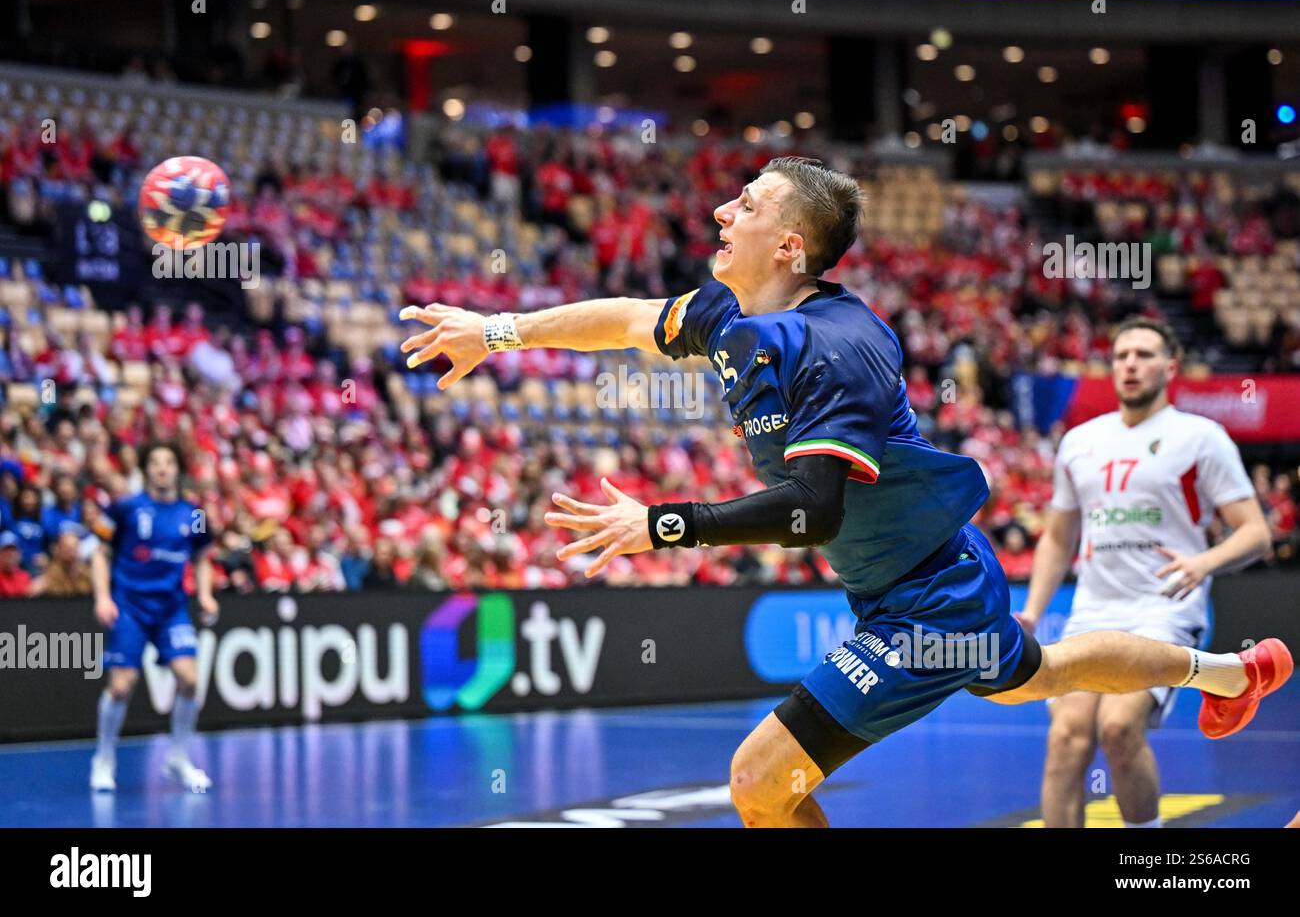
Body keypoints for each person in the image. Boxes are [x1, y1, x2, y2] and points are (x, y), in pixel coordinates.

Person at [399, 156, 1292, 827]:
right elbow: (629, 322)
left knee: (760, 779)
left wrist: (664, 524)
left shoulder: (835, 349)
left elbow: (809, 510)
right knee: (1040, 675)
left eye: (745, 204)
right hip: (904, 581)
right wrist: (497, 329)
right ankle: (1233, 670)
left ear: (789, 244)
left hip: (927, 601)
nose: (720, 209)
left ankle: (1225, 670)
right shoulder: (725, 316)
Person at [1018, 317, 1272, 827]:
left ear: (1171, 367)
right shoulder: (1080, 442)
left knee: (1118, 728)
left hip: (1164, 610)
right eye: (1121, 355)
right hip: (1094, 611)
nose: (1130, 364)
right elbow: (1059, 536)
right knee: (1066, 735)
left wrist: (1204, 561)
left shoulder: (1202, 436)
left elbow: (1256, 533)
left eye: (1144, 354)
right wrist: (1030, 612)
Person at [90, 442, 219, 793]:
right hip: (129, 605)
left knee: (190, 680)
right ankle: (104, 758)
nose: (162, 468)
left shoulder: (194, 513)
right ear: (146, 469)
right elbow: (100, 554)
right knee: (121, 686)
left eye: (170, 462)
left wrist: (205, 595)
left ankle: (178, 758)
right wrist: (103, 598)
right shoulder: (124, 508)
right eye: (156, 462)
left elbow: (203, 557)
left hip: (171, 608)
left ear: (178, 470)